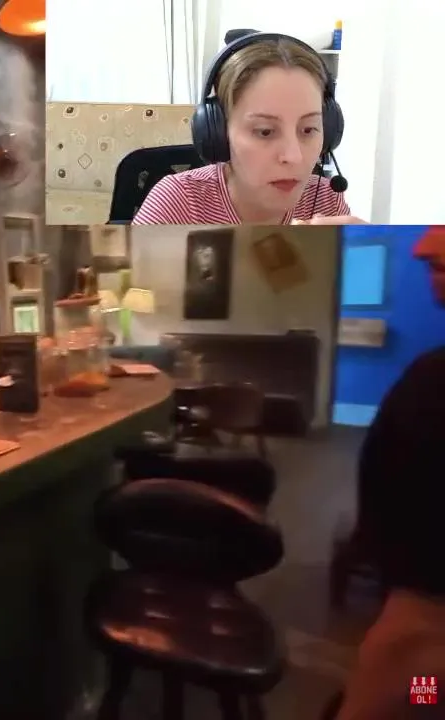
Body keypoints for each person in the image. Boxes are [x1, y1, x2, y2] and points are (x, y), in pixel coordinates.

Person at [335, 227, 445, 719]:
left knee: (385, 700)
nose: (422, 249)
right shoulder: (432, 375)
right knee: (427, 692)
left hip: (424, 608)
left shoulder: (435, 379)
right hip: (414, 596)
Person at [134, 33, 365, 226]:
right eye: (265, 132)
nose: (294, 157)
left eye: (308, 130)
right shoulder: (178, 203)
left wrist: (371, 257)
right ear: (219, 133)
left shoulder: (325, 200)